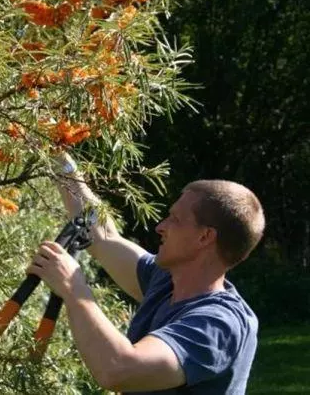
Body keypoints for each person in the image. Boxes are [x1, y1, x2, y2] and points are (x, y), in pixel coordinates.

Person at [27, 153, 264, 394]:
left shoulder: (219, 324)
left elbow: (119, 369)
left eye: (175, 219)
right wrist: (60, 158)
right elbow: (101, 235)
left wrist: (73, 287)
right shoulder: (165, 280)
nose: (160, 226)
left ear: (205, 237)